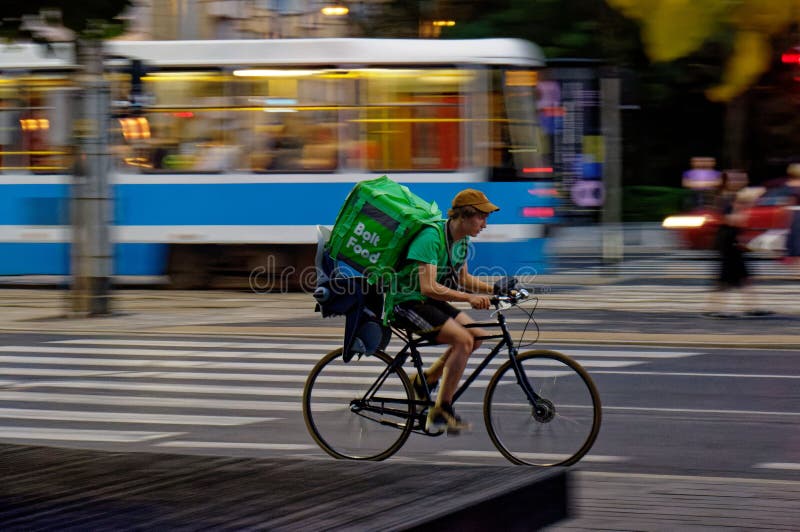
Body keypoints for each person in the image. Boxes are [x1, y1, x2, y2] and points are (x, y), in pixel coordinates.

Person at [389, 189, 499, 435]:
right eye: (481, 217)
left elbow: (463, 279)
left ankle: (424, 379)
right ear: (464, 215)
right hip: (407, 302)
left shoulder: (461, 241)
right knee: (462, 339)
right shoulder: (431, 237)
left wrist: (497, 289)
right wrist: (469, 298)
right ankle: (441, 410)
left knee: (477, 337)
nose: (485, 223)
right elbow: (428, 286)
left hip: (428, 301)